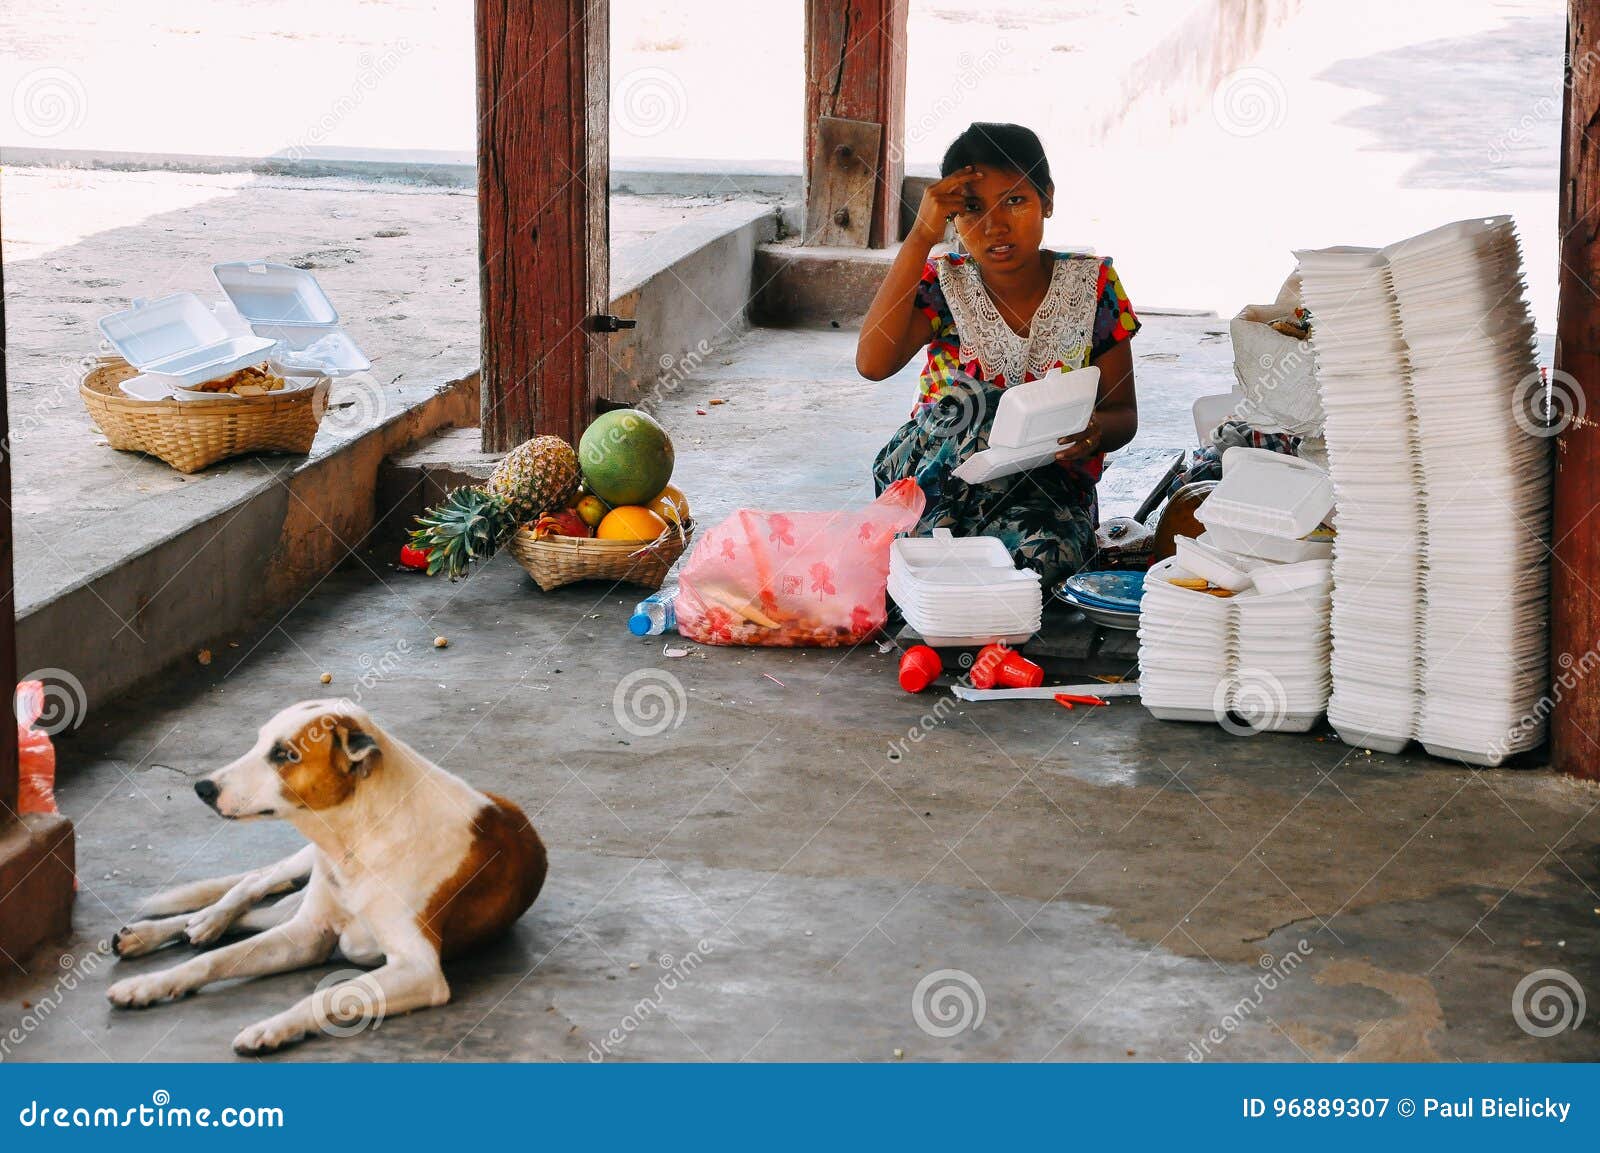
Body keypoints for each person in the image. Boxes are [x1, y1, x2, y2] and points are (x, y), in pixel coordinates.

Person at [857, 122, 1140, 585]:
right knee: (978, 405)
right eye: (971, 209)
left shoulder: (1094, 287)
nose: (994, 226)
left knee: (1052, 559)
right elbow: (872, 363)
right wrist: (921, 235)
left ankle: (948, 566)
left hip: (1040, 492)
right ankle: (925, 553)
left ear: (1047, 198)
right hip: (937, 482)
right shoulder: (945, 284)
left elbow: (1123, 414)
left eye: (1014, 201)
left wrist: (1094, 432)